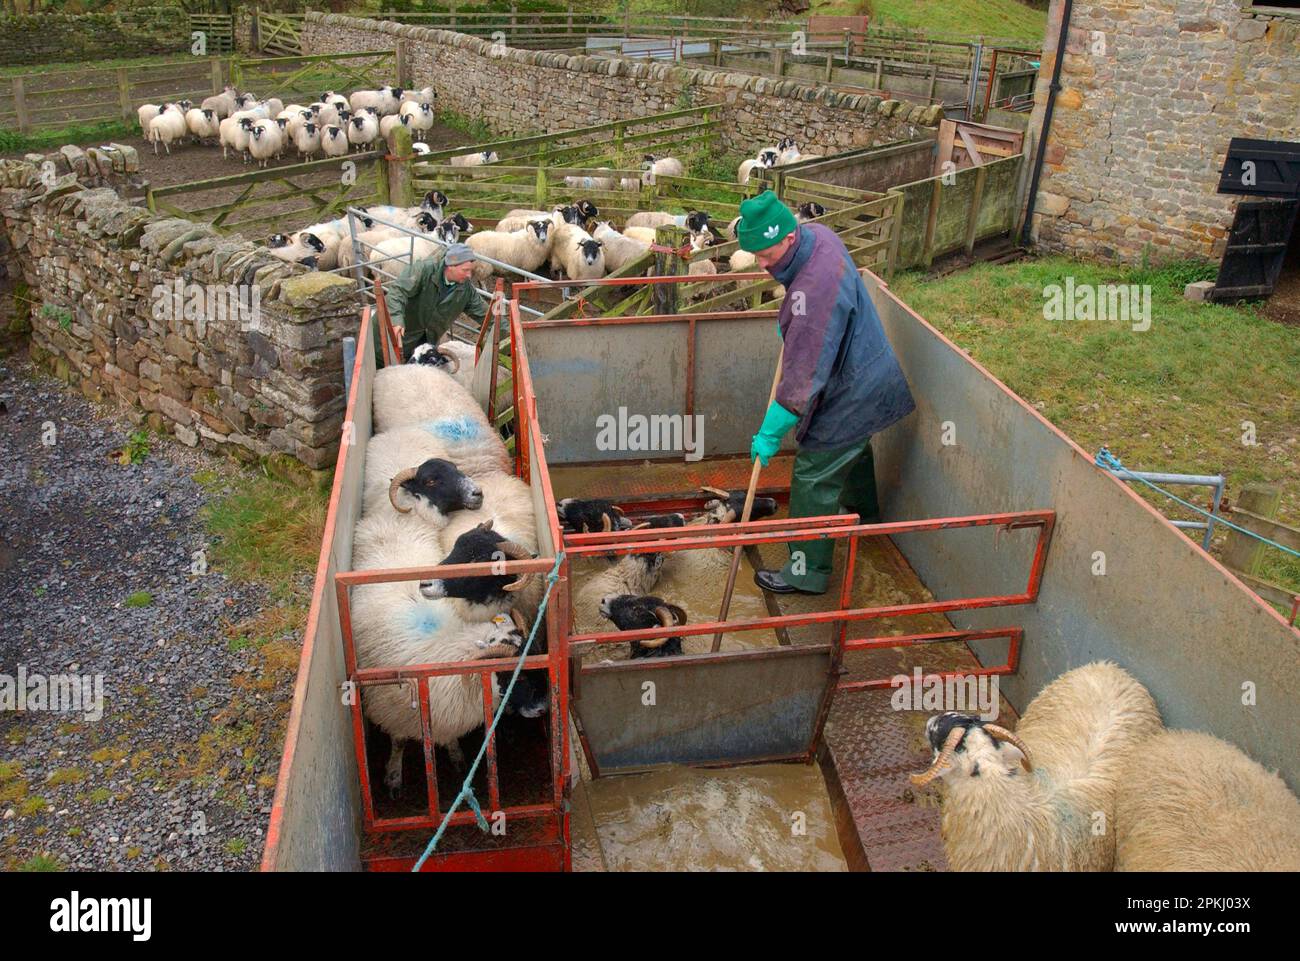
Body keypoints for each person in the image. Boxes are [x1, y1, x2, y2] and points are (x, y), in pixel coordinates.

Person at [736, 190, 916, 595]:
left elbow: (800, 382)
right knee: (853, 448)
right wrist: (792, 319)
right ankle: (863, 521)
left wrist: (770, 432)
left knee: (814, 475)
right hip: (869, 371)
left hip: (851, 390)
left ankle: (806, 572)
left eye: (766, 256)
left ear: (786, 237)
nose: (763, 266)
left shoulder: (810, 297)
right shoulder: (818, 236)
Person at [375, 242, 488, 366]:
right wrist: (396, 319)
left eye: (470, 271)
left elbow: (487, 315)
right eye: (465, 270)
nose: (469, 275)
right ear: (451, 266)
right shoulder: (423, 270)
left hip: (422, 345)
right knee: (381, 370)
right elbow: (398, 291)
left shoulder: (466, 290)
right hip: (390, 338)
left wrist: (509, 335)